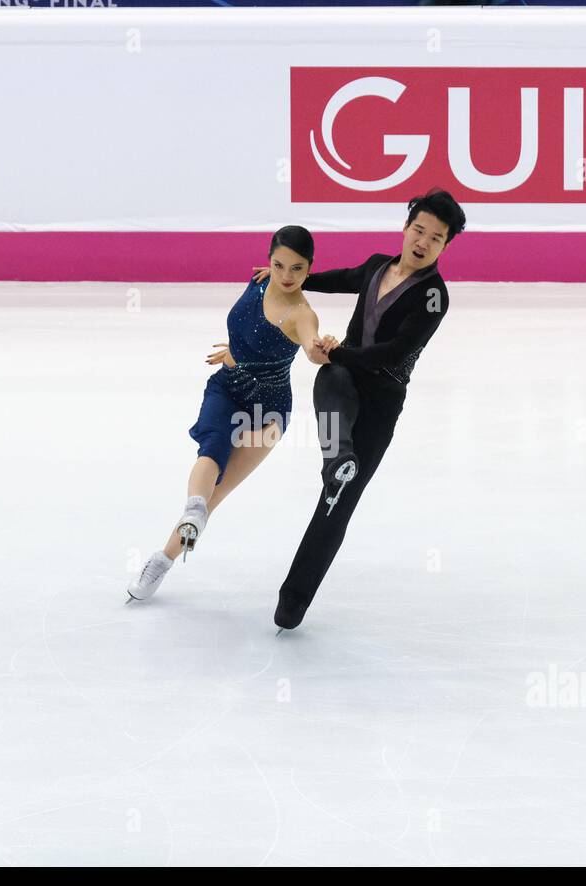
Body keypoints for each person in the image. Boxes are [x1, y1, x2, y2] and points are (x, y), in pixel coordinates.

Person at [256, 190, 467, 630]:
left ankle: (294, 599)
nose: (423, 242)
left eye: (436, 238)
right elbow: (341, 278)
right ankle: (338, 458)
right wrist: (293, 280)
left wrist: (336, 354)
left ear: (446, 246)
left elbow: (394, 352)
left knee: (337, 502)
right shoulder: (376, 265)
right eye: (419, 230)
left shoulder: (433, 297)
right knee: (328, 381)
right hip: (345, 378)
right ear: (406, 227)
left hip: (382, 397)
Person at [126, 226, 332, 602]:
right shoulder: (260, 279)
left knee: (216, 494)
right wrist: (237, 355)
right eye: (279, 265)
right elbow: (248, 329)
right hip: (228, 386)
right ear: (269, 261)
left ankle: (162, 559)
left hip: (268, 412)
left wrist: (323, 348)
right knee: (211, 450)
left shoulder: (303, 314)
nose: (286, 276)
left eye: (297, 269)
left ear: (310, 269)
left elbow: (312, 349)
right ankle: (186, 520)